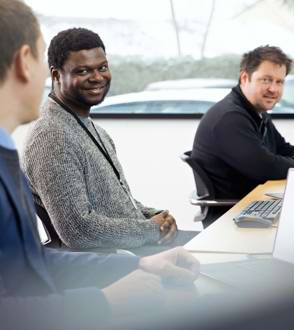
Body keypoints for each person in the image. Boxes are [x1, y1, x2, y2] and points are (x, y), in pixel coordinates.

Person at [0, 1, 200, 329]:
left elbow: (30, 262)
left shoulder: (1, 153)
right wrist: (104, 302)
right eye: (43, 61)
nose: (96, 77)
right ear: (24, 62)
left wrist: (139, 268)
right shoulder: (42, 138)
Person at [21, 27, 181, 250]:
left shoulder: (91, 127)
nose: (97, 78)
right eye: (83, 71)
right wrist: (151, 229)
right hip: (113, 265)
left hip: (130, 249)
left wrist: (155, 216)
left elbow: (116, 203)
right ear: (56, 75)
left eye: (102, 67)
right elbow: (78, 230)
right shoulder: (52, 137)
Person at [192, 45, 294, 204]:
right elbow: (266, 168)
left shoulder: (257, 111)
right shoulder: (229, 118)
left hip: (257, 203)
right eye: (266, 80)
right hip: (233, 215)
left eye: (279, 82)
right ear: (245, 78)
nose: (274, 89)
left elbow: (282, 148)